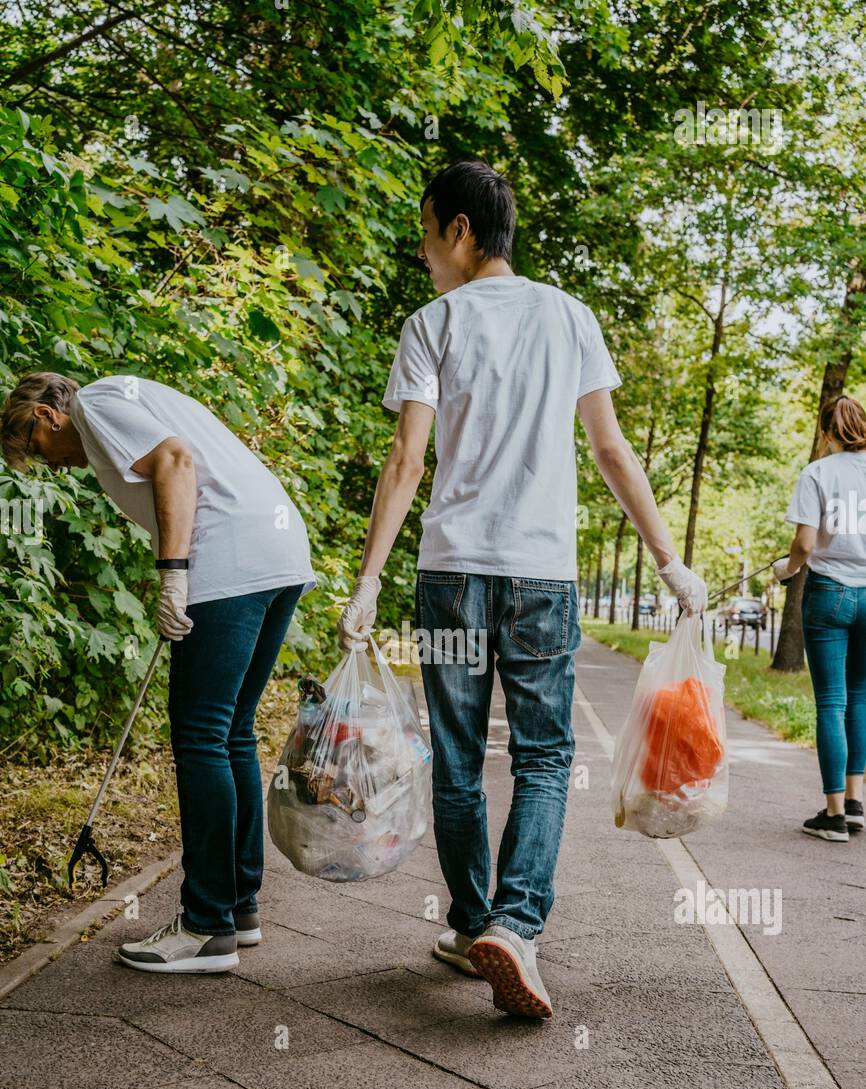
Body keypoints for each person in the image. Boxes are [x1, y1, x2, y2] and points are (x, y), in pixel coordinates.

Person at [337, 159, 707, 1020]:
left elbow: (407, 461)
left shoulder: (434, 322)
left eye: (428, 231)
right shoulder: (568, 315)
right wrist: (667, 559)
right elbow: (612, 450)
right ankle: (516, 924)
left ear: (461, 231)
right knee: (544, 758)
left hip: (452, 575)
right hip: (541, 575)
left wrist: (366, 580)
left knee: (460, 759)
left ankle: (473, 926)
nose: (423, 250)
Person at [1, 372, 317, 971]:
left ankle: (205, 926)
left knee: (201, 736)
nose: (55, 468)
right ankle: (238, 909)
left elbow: (175, 460)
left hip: (232, 559)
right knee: (232, 732)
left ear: (46, 416)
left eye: (41, 454)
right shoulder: (123, 400)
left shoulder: (93, 405)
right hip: (278, 550)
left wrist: (173, 571)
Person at [773, 394, 866, 843]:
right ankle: (855, 801)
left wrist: (785, 570)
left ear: (826, 432)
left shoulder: (817, 472)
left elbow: (805, 545)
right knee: (861, 697)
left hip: (830, 594)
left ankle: (833, 816)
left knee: (832, 701)